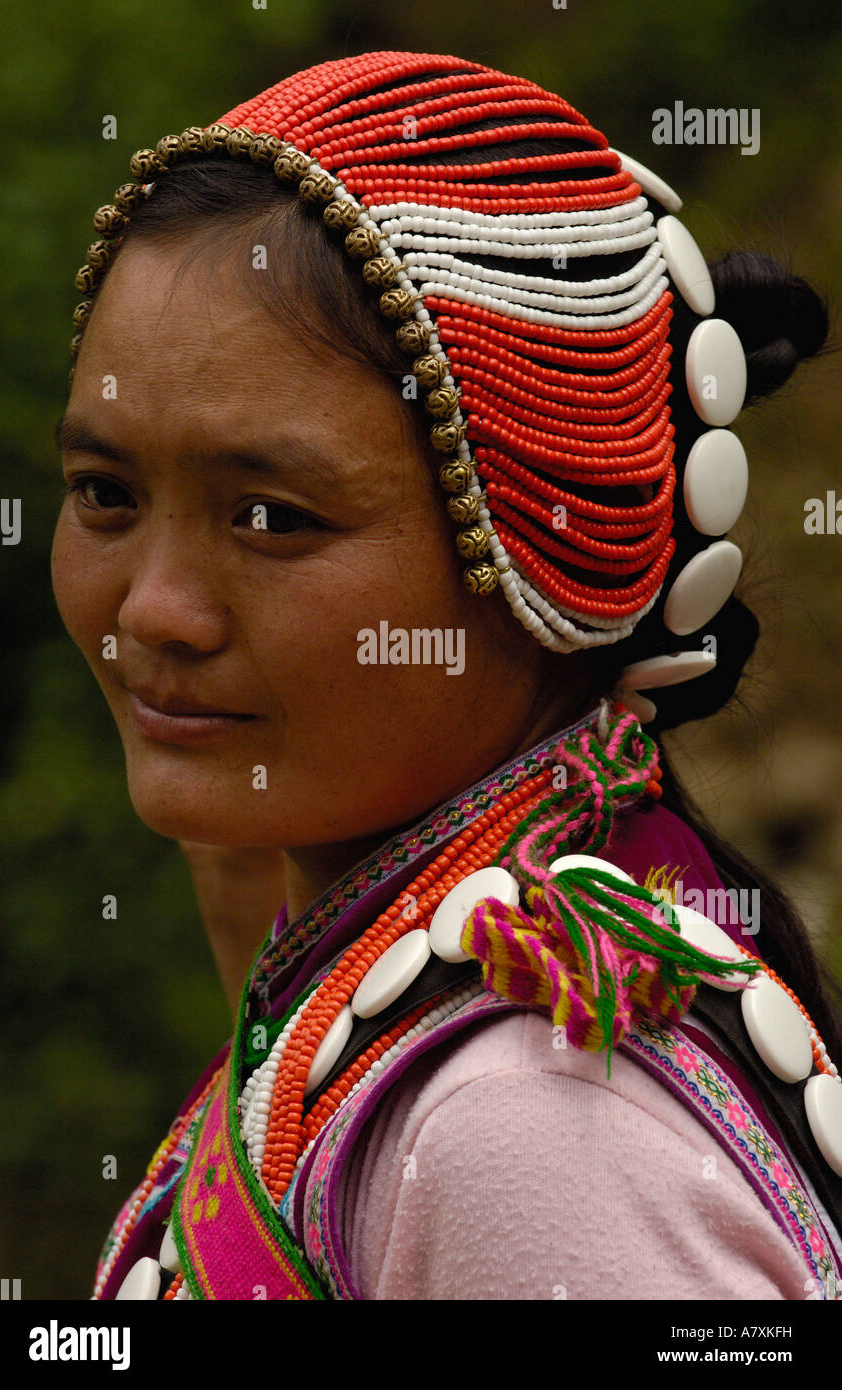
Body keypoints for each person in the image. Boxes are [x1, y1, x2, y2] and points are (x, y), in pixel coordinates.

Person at [52, 50, 842, 1301]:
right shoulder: (370, 990)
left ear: (547, 544)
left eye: (270, 517)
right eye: (104, 495)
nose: (150, 610)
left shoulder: (528, 1121)